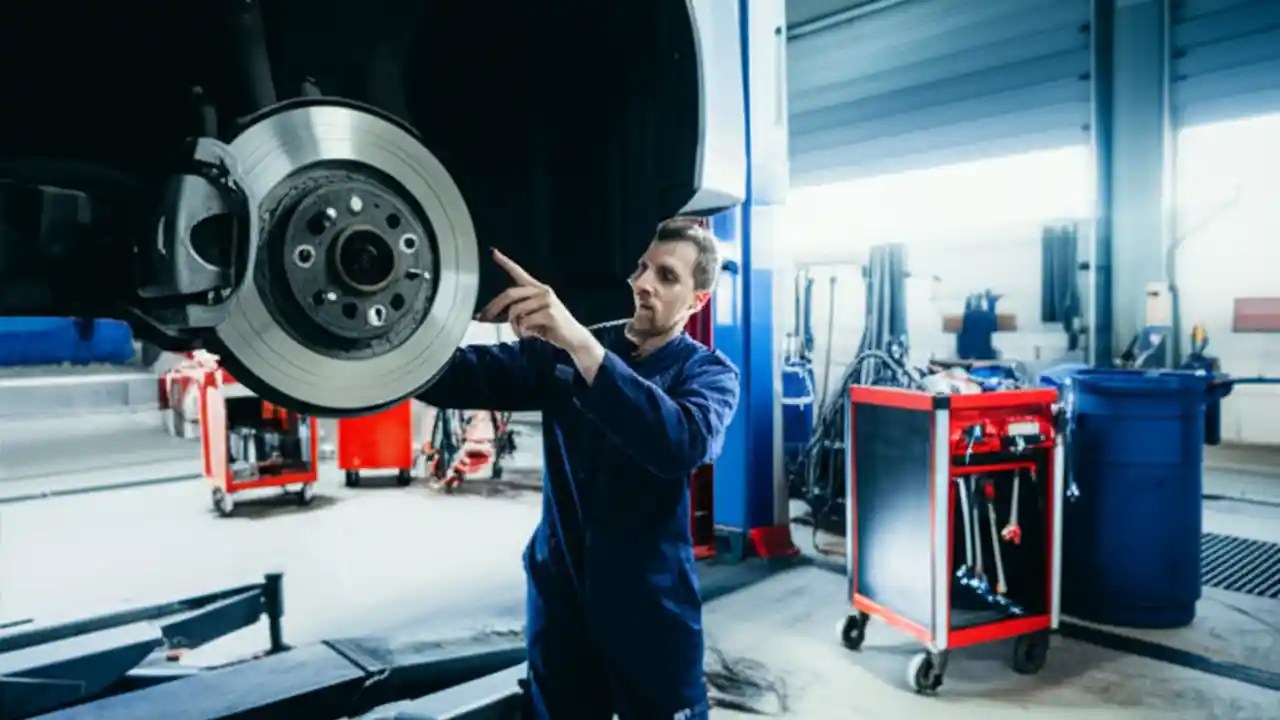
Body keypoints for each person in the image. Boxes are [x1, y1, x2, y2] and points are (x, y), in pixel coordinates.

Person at [418, 216, 740, 720]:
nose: (644, 283)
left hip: (649, 608)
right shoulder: (565, 352)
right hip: (560, 593)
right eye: (642, 267)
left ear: (697, 301)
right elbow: (460, 376)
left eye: (667, 276)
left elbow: (679, 442)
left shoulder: (708, 373)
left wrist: (582, 346)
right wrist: (396, 338)